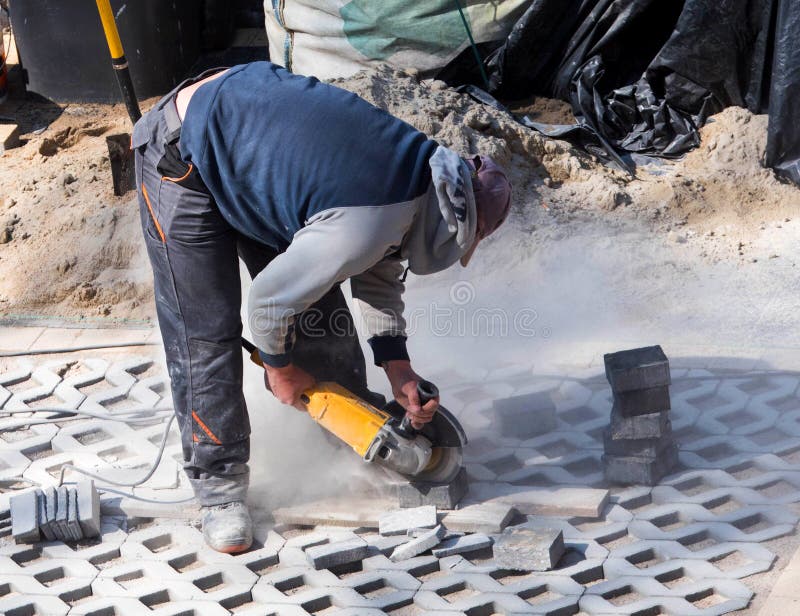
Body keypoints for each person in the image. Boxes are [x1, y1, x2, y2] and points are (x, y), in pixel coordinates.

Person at [132, 61, 511, 553]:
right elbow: (267, 303)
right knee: (206, 331)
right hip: (183, 155)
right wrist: (280, 371)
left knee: (317, 317)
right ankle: (220, 490)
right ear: (457, 231)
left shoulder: (418, 179)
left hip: (250, 141)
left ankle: (345, 441)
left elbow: (378, 268)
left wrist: (398, 367)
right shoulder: (368, 222)